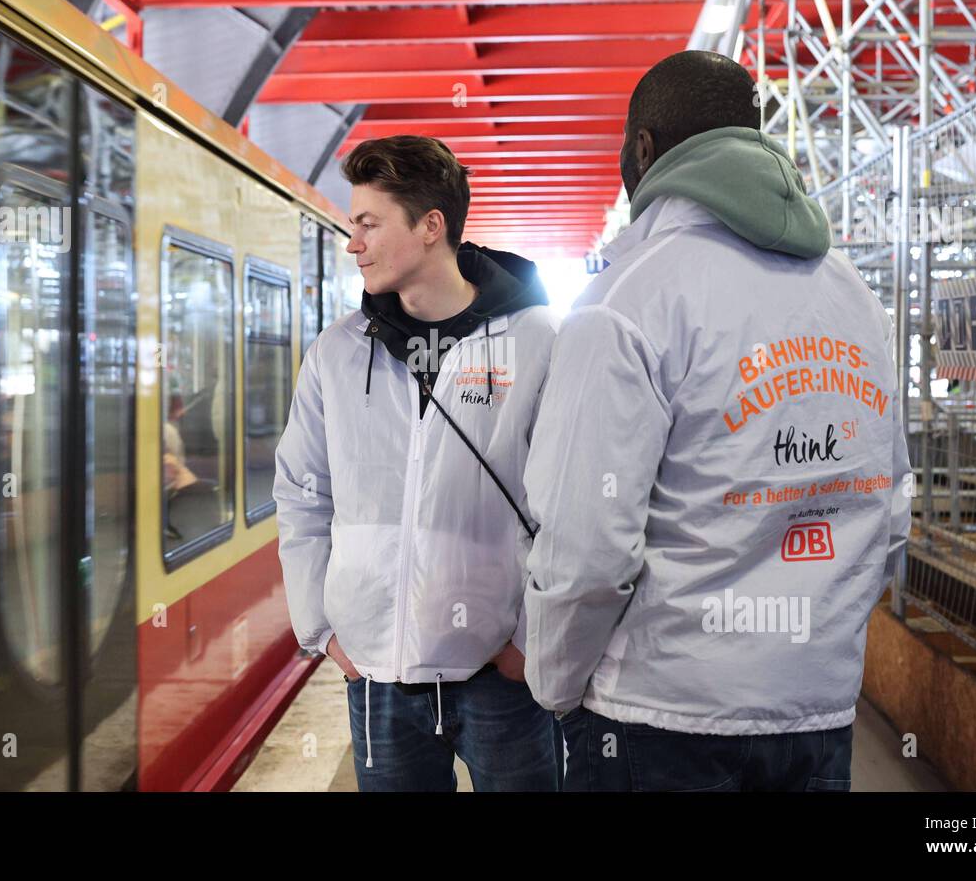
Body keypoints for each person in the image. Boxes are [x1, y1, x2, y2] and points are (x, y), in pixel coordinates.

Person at [521, 51, 913, 792]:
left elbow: (586, 550)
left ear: (643, 150)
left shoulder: (626, 302)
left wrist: (555, 685)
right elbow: (889, 507)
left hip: (661, 718)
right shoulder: (852, 297)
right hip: (818, 714)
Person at [274, 135, 560, 791]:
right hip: (377, 678)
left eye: (368, 224)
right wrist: (323, 632)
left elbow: (569, 507)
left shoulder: (536, 342)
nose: (353, 243)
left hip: (499, 679)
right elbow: (301, 492)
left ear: (431, 227)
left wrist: (527, 642)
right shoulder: (337, 354)